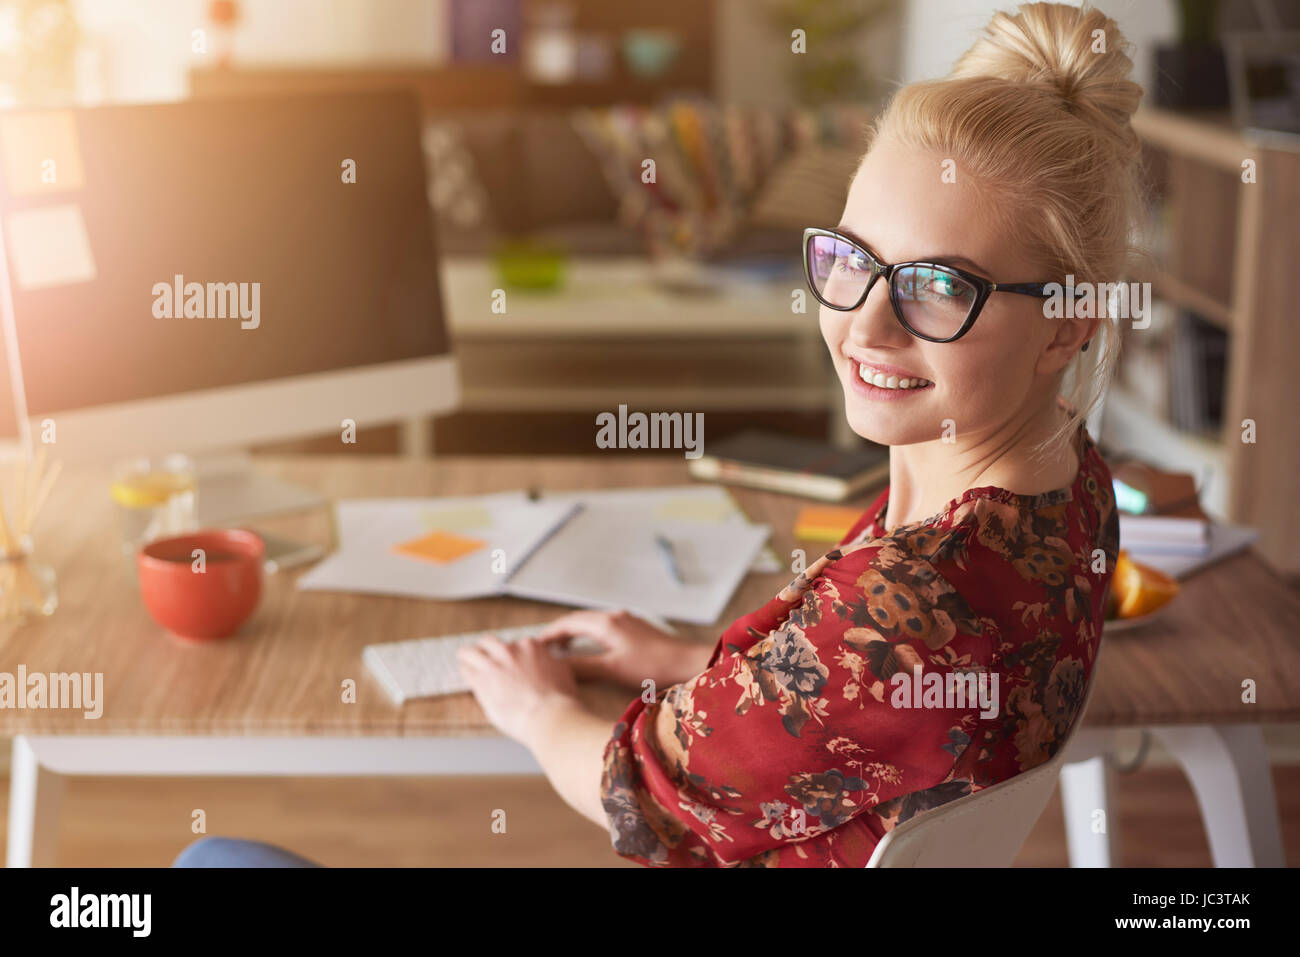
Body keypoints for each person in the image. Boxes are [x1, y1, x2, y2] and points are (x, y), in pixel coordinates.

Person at [176, 0, 1129, 869]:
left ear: (1069, 321)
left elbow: (636, 789)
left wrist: (538, 705)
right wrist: (692, 660)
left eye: (939, 287)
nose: (866, 326)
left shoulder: (896, 614)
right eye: (852, 260)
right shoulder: (1065, 496)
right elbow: (878, 713)